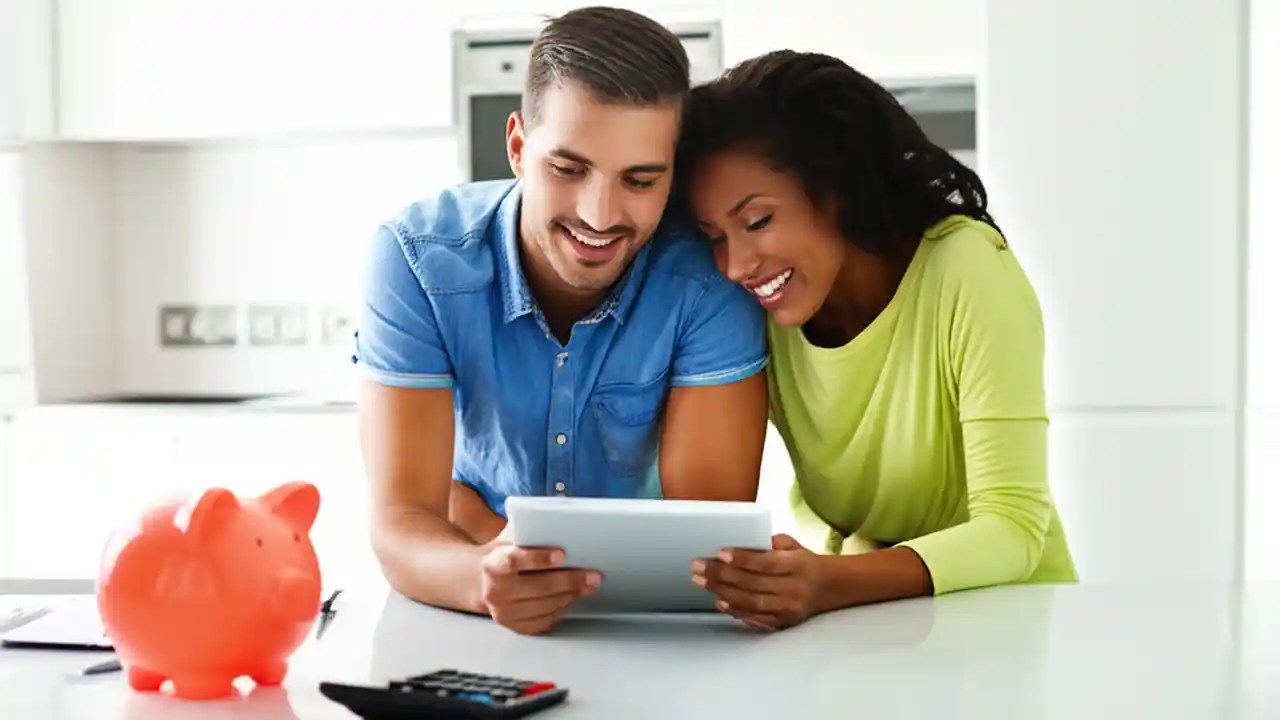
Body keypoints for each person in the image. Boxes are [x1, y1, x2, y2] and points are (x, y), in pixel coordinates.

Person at [352, 6, 768, 636]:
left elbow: (704, 536)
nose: (600, 215)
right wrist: (480, 577)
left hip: (649, 628)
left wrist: (482, 537)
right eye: (568, 170)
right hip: (467, 606)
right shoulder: (415, 259)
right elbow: (401, 520)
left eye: (640, 179)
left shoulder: (708, 277)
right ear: (518, 146)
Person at [679, 50, 1078, 631]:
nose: (736, 264)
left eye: (758, 221)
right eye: (714, 236)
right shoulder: (748, 307)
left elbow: (1014, 528)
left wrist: (827, 581)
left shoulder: (966, 270)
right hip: (867, 631)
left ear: (835, 188)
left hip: (1006, 625)